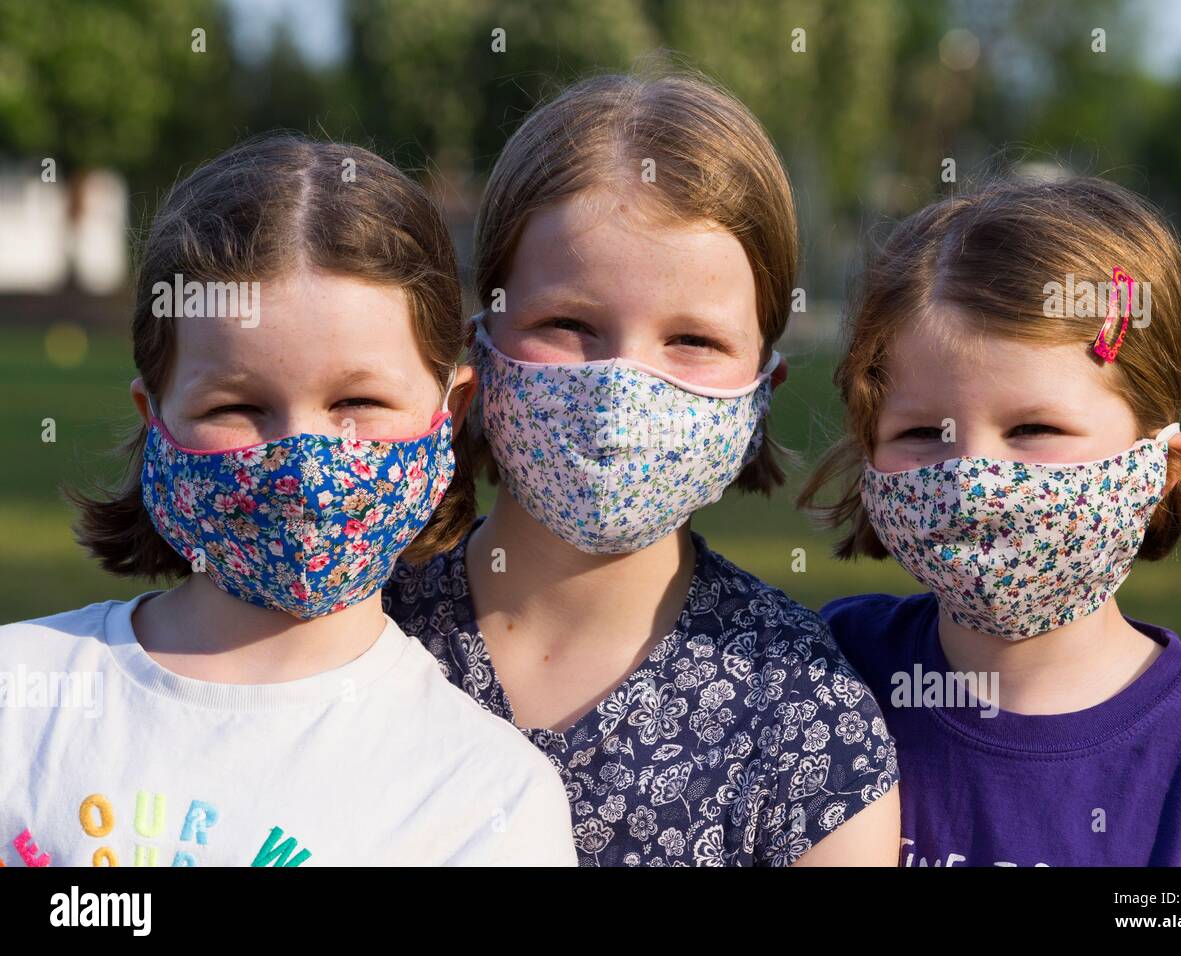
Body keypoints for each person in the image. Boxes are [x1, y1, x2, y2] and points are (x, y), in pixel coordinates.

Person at [0, 134, 576, 867]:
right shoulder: (18, 700)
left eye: (358, 401)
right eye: (238, 407)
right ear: (158, 421)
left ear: (450, 414)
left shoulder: (484, 798)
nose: (301, 467)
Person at [385, 71, 900, 867]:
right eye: (568, 324)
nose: (620, 386)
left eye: (692, 340)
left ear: (763, 386)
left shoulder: (804, 721)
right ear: (478, 344)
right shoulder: (353, 635)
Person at [801, 176, 1181, 865]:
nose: (973, 481)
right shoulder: (818, 678)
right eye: (923, 433)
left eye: (1034, 427)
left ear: (1159, 470)